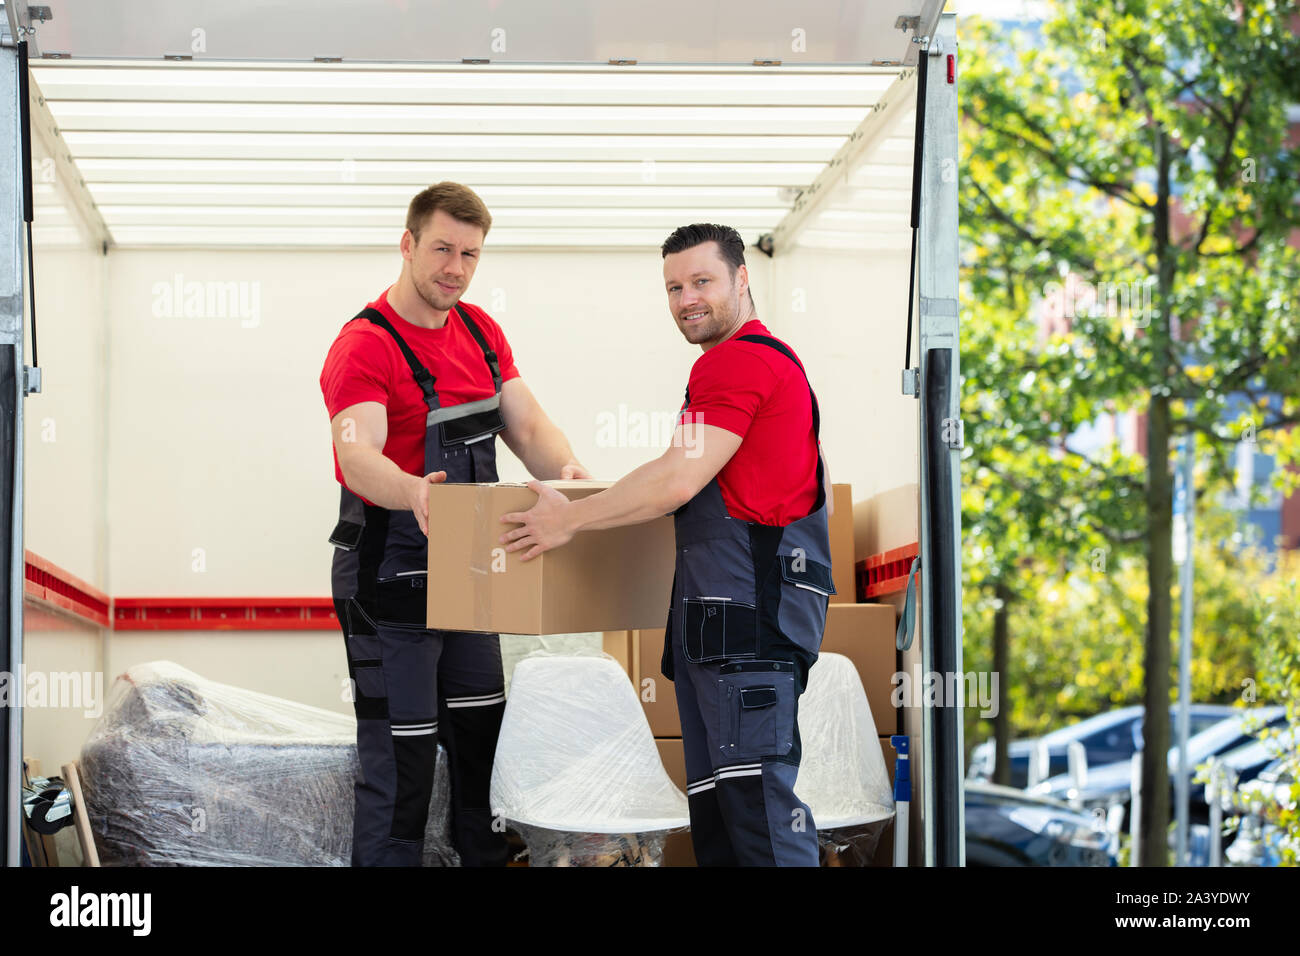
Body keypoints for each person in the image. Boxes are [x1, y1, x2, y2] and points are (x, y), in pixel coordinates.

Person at [500, 222, 834, 866]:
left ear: (742, 278)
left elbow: (674, 480)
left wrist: (569, 518)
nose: (687, 299)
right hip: (719, 635)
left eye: (702, 281)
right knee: (723, 825)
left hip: (746, 637)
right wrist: (586, 492)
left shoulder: (743, 362)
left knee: (761, 822)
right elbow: (676, 472)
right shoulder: (729, 369)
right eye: (674, 287)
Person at [320, 182, 590, 866]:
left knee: (481, 754)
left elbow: (529, 427)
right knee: (401, 767)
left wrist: (578, 483)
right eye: (442, 249)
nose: (456, 268)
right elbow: (356, 453)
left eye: (470, 254)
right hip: (390, 582)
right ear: (407, 244)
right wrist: (411, 488)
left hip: (470, 578)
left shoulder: (482, 332)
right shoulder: (362, 345)